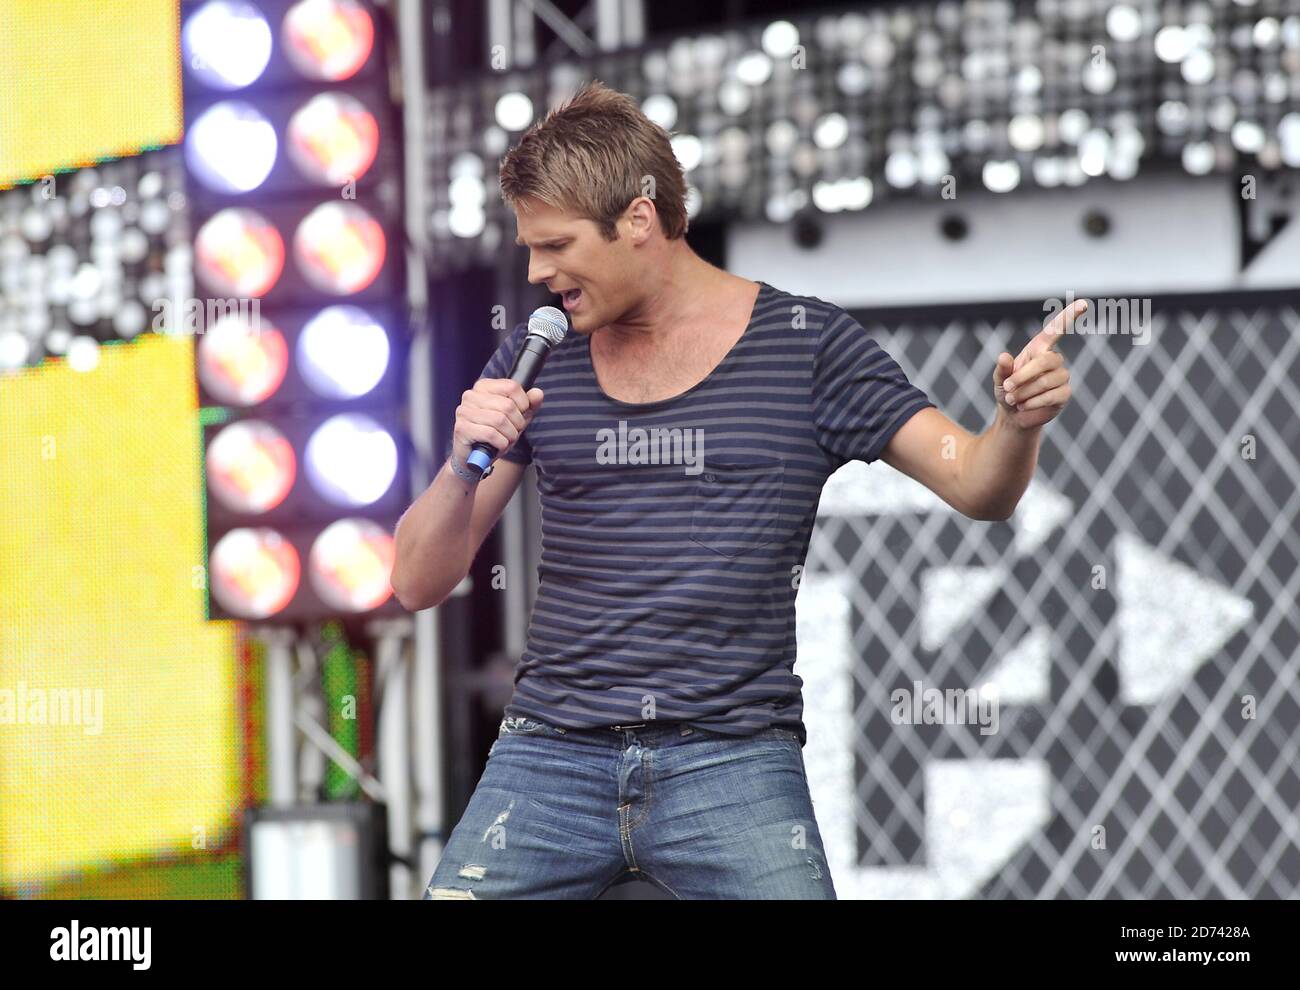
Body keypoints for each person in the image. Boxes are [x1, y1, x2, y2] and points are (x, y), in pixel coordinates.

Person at [392, 81, 1083, 899]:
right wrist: (457, 462)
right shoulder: (535, 359)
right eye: (530, 249)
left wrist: (1016, 423)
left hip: (732, 755)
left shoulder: (807, 344)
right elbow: (415, 580)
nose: (538, 272)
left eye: (556, 245)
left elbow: (978, 485)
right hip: (549, 751)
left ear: (639, 222)